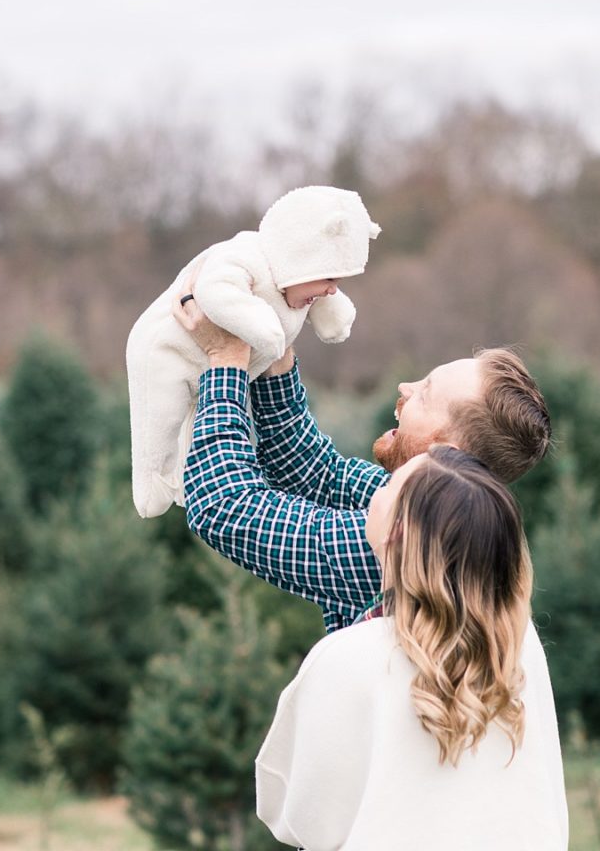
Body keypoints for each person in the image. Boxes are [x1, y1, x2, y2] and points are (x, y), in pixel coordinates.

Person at [169, 292, 552, 634]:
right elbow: (317, 475)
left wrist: (225, 363)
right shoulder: (416, 503)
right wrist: (276, 352)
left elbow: (225, 508)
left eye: (426, 393)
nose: (406, 388)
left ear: (446, 450)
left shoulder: (409, 544)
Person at [255, 445, 568, 850]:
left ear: (396, 530)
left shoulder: (348, 656)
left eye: (388, 485)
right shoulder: (520, 644)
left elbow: (298, 814)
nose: (375, 491)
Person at [126, 185, 381, 518]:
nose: (332, 290)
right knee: (161, 423)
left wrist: (332, 316)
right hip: (167, 355)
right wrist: (262, 328)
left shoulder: (300, 283)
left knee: (203, 429)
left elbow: (323, 295)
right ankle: (150, 488)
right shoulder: (247, 256)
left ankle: (188, 486)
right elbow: (214, 289)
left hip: (219, 368)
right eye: (329, 278)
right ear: (301, 256)